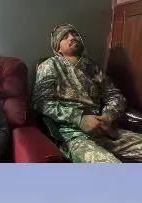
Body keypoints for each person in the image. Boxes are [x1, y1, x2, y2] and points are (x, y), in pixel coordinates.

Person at [33, 24, 142, 163]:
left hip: (105, 130)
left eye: (74, 34)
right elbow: (40, 102)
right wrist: (79, 118)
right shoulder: (50, 65)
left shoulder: (92, 67)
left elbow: (114, 95)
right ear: (58, 48)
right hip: (74, 136)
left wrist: (108, 116)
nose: (72, 37)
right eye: (65, 37)